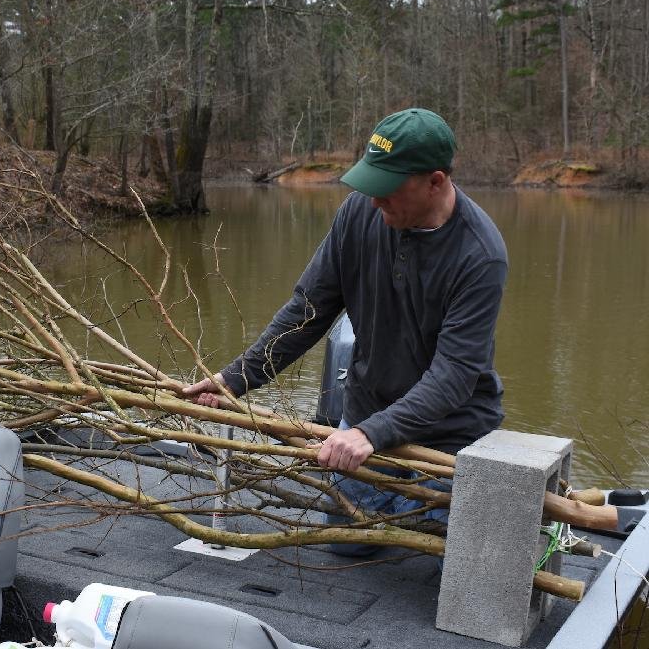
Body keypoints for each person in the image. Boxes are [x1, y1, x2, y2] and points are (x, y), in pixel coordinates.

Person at [183, 108, 508, 552]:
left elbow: (453, 373)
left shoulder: (479, 255)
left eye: (388, 189)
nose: (375, 201)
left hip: (449, 431)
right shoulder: (359, 214)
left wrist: (371, 434)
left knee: (448, 565)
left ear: (435, 182)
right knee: (350, 547)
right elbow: (308, 310)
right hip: (367, 404)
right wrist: (235, 379)